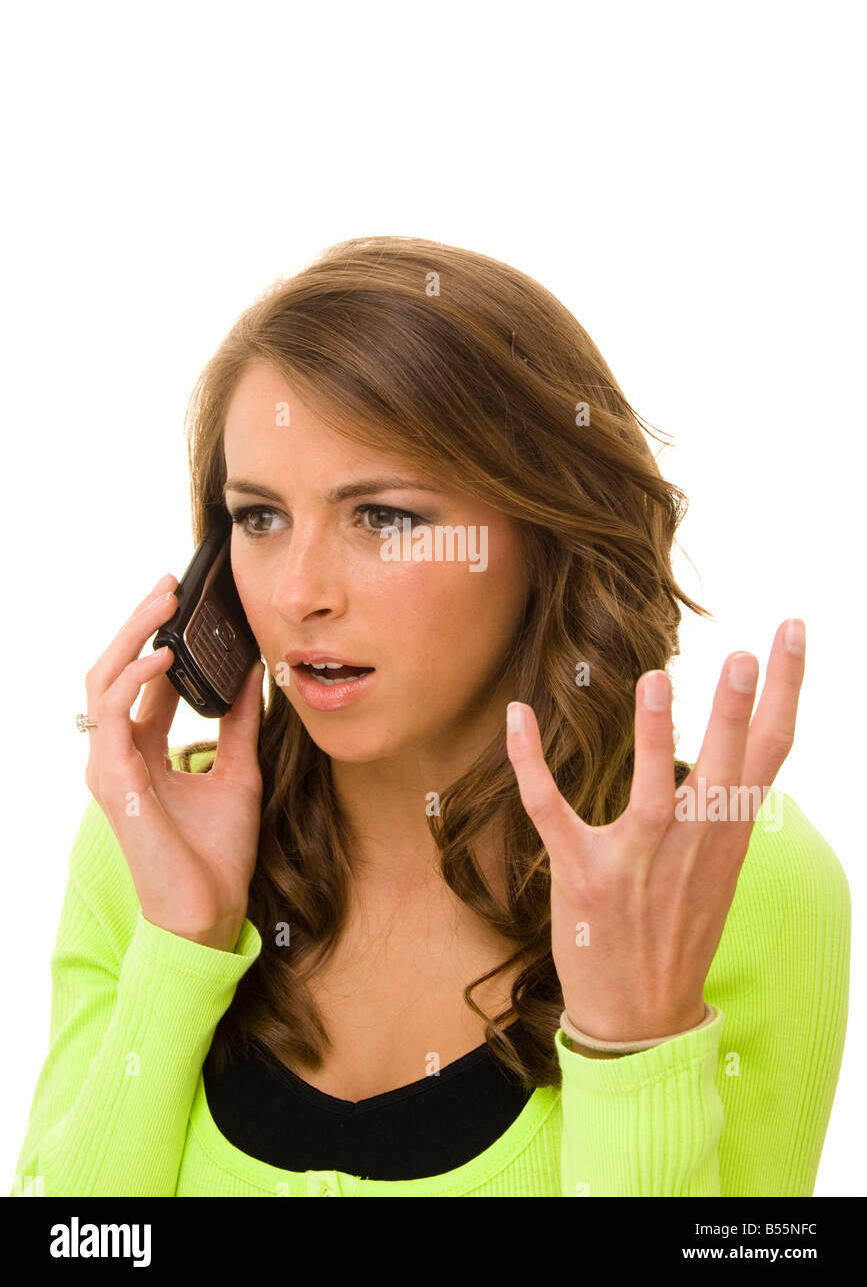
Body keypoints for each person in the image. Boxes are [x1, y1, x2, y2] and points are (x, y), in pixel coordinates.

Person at [11, 235, 850, 1197]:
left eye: (384, 517)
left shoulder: (735, 868)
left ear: (545, 533)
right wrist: (178, 947)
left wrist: (635, 1049)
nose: (297, 593)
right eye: (259, 517)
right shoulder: (147, 834)